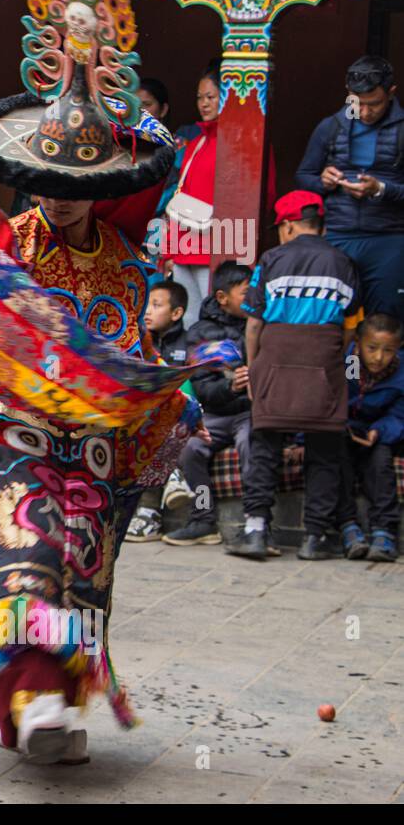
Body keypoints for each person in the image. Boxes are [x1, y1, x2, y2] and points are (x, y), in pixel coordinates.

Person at [0, 0, 215, 764]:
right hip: (11, 434)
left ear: (99, 189)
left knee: (81, 566)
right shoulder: (5, 236)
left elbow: (123, 360)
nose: (59, 197)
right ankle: (31, 699)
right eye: (46, 181)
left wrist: (163, 397)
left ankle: (56, 699)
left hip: (88, 442)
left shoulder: (126, 269)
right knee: (26, 557)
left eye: (76, 185)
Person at [229, 190, 362, 562]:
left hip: (274, 360)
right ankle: (315, 538)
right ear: (320, 225)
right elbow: (351, 327)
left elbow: (254, 324)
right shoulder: (344, 262)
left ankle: (256, 530)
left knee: (265, 444)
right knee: (324, 450)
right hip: (325, 363)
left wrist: (254, 370)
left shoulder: (272, 260)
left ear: (288, 225)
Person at [157, 63, 275, 326]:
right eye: (200, 98)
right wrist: (169, 253)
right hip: (184, 247)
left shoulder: (247, 142)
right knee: (188, 321)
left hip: (219, 248)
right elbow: (180, 200)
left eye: (210, 97)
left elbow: (262, 197)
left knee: (216, 320)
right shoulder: (195, 143)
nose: (203, 104)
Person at [294, 56, 404, 320]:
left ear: (391, 93)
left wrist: (381, 189)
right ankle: (342, 364)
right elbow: (303, 176)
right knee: (332, 316)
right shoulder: (330, 128)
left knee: (385, 320)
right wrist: (323, 182)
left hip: (388, 240)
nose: (365, 112)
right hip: (338, 237)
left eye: (374, 104)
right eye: (358, 103)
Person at [164, 262, 256, 548]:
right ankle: (203, 520)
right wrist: (231, 386)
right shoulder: (200, 333)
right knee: (191, 448)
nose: (253, 298)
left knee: (253, 443)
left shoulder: (260, 327)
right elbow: (202, 388)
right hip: (215, 413)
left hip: (248, 413)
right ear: (222, 297)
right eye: (245, 293)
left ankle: (255, 523)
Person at [125, 278, 191, 543]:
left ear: (177, 313)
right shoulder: (139, 343)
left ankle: (149, 514)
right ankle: (172, 479)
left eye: (157, 305)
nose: (149, 312)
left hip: (182, 415)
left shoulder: (189, 344)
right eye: (147, 305)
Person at [341, 313, 404, 562]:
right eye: (372, 348)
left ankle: (385, 529)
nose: (379, 357)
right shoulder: (350, 364)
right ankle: (347, 525)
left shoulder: (400, 372)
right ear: (358, 343)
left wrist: (378, 431)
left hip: (380, 433)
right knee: (335, 457)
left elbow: (399, 415)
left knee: (380, 460)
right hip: (345, 430)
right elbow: (336, 400)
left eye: (388, 350)